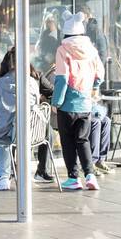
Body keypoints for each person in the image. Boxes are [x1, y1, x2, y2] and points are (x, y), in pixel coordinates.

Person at [51, 13, 104, 192]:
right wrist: (92, 88)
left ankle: (73, 178)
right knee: (83, 140)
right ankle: (90, 175)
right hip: (85, 104)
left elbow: (62, 79)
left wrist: (56, 102)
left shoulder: (63, 50)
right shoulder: (91, 50)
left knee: (68, 141)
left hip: (67, 105)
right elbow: (100, 76)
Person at [0, 48, 39, 191]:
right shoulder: (33, 82)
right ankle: (21, 175)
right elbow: (37, 105)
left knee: (3, 132)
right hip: (31, 132)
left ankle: (2, 177)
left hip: (7, 131)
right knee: (10, 127)